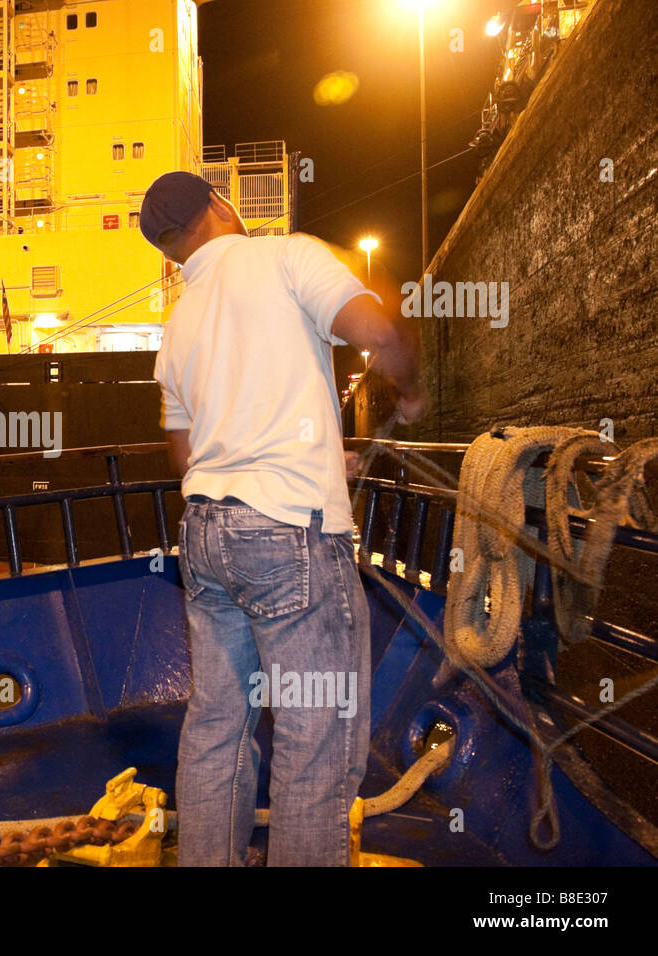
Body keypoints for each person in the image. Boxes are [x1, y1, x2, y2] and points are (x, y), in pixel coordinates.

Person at [140, 172, 424, 866]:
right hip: (289, 535)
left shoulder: (176, 329)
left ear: (173, 251)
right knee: (315, 740)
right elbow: (376, 331)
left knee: (216, 727)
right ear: (221, 205)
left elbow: (191, 457)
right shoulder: (285, 256)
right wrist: (410, 388)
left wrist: (329, 456)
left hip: (207, 536)